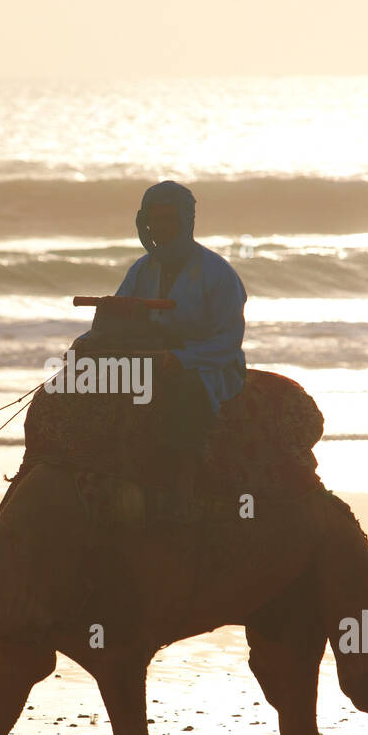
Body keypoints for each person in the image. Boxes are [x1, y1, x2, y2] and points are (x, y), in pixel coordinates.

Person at [115, 180, 247, 506]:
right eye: (153, 220)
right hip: (150, 362)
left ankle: (182, 481)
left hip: (208, 367)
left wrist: (180, 358)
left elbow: (228, 342)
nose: (159, 227)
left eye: (167, 219)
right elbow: (115, 318)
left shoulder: (218, 273)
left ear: (185, 221)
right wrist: (85, 346)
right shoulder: (141, 270)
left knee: (183, 392)